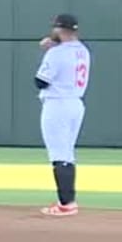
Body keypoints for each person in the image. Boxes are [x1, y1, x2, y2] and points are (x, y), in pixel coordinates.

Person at [36, 13, 89, 217]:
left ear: (60, 29)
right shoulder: (83, 51)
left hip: (57, 104)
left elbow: (40, 81)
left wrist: (50, 50)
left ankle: (66, 204)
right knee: (67, 153)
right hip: (76, 103)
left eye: (55, 28)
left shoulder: (56, 53)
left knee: (59, 154)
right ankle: (67, 201)